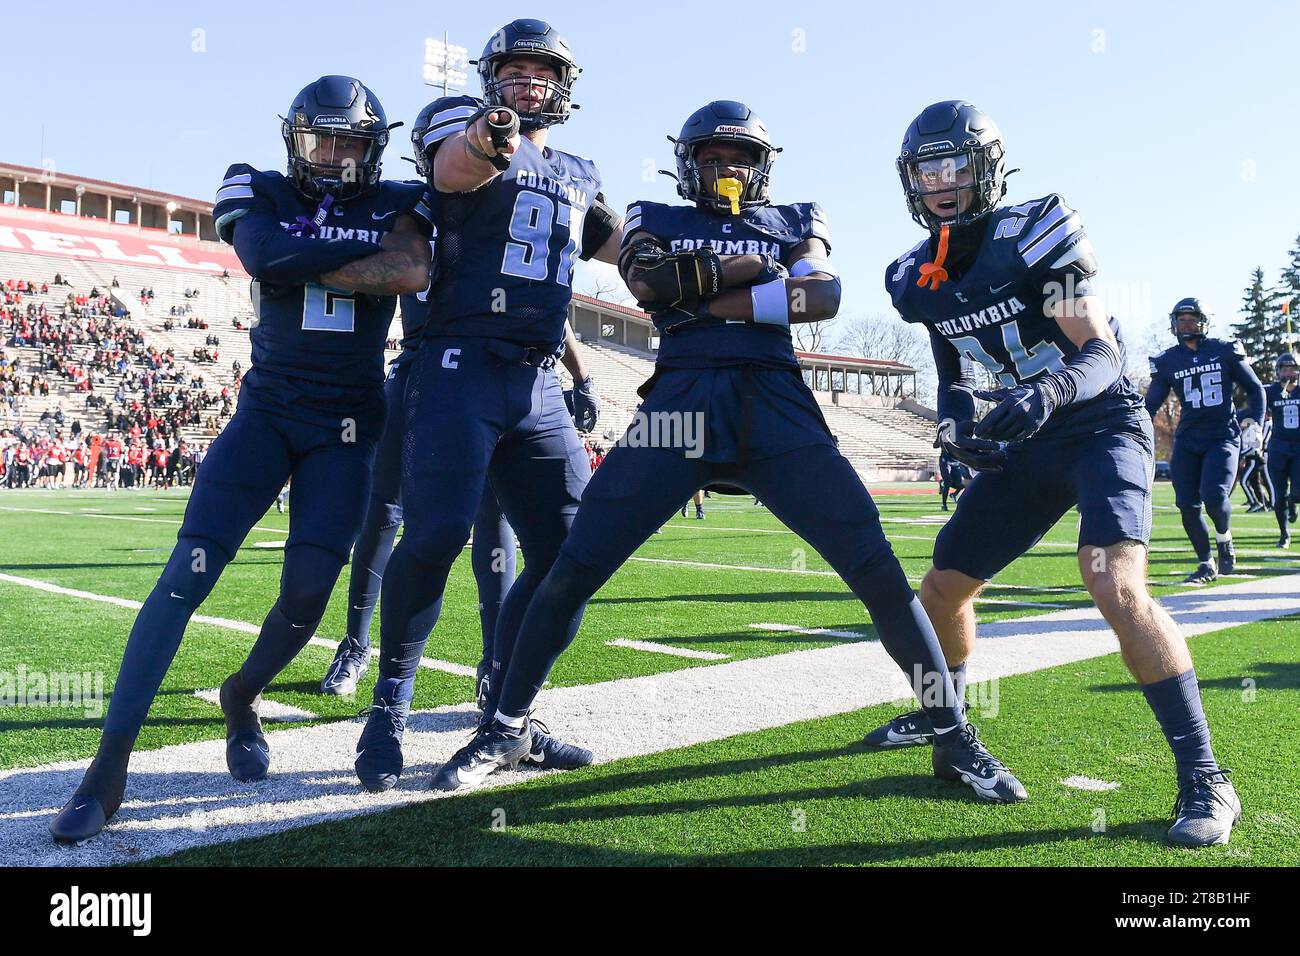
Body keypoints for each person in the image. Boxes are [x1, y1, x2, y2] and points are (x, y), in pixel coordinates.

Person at [428, 99, 1021, 803]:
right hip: (680, 406)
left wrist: (706, 299)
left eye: (739, 158)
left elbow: (822, 296)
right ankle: (508, 724)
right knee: (573, 565)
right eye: (712, 157)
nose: (726, 170)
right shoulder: (656, 213)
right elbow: (651, 286)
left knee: (879, 574)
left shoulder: (796, 216)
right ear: (688, 163)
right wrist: (751, 278)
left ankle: (952, 735)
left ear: (762, 166)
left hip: (778, 411)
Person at [49, 75, 433, 843]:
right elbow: (260, 254)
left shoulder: (402, 199)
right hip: (265, 416)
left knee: (305, 602)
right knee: (183, 577)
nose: (331, 157)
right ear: (293, 138)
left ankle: (242, 696)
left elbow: (410, 273)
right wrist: (343, 256)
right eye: (319, 140)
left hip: (349, 429)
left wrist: (303, 255)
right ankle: (108, 767)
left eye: (348, 142)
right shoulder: (252, 181)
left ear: (373, 147)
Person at [862, 101, 1240, 847]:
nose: (941, 181)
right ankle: (948, 718)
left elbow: (1100, 355)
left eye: (954, 163)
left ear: (987, 167)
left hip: (1099, 425)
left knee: (1113, 581)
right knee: (941, 588)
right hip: (1027, 440)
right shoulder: (914, 274)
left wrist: (1043, 391)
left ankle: (1205, 775)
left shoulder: (1031, 236)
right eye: (926, 167)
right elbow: (950, 363)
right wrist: (954, 424)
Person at [352, 19, 621, 793]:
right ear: (489, 76)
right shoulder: (460, 124)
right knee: (434, 533)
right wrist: (493, 132)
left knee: (571, 557)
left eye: (543, 73)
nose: (529, 83)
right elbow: (455, 170)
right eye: (515, 70)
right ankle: (389, 711)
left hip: (537, 380)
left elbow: (623, 248)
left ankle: (507, 716)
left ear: (565, 85)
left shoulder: (577, 168)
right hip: (458, 365)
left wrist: (706, 248)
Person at [1145, 298, 1264, 582]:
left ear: (1204, 322)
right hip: (1188, 438)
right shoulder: (1167, 360)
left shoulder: (1223, 350)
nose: (1187, 324)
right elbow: (1151, 403)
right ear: (1173, 323)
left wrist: (1255, 424)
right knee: (1186, 503)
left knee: (1214, 495)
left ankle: (1224, 538)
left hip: (1222, 435)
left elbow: (1255, 388)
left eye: (1193, 318)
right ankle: (1206, 563)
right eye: (1182, 319)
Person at [1264, 351, 1300, 548]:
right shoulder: (1270, 391)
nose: (1287, 372)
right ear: (1278, 371)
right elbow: (1256, 405)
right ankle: (1284, 534)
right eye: (1284, 368)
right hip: (1278, 446)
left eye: (1291, 368)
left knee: (1297, 492)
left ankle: (1293, 502)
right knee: (1278, 494)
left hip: (1299, 447)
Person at [1234, 407, 1270, 513]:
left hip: (1254, 459)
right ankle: (1262, 504)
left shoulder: (1253, 428)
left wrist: (1240, 455)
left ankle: (1254, 502)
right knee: (1255, 483)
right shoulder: (1248, 429)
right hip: (1251, 459)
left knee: (1244, 481)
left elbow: (1254, 447)